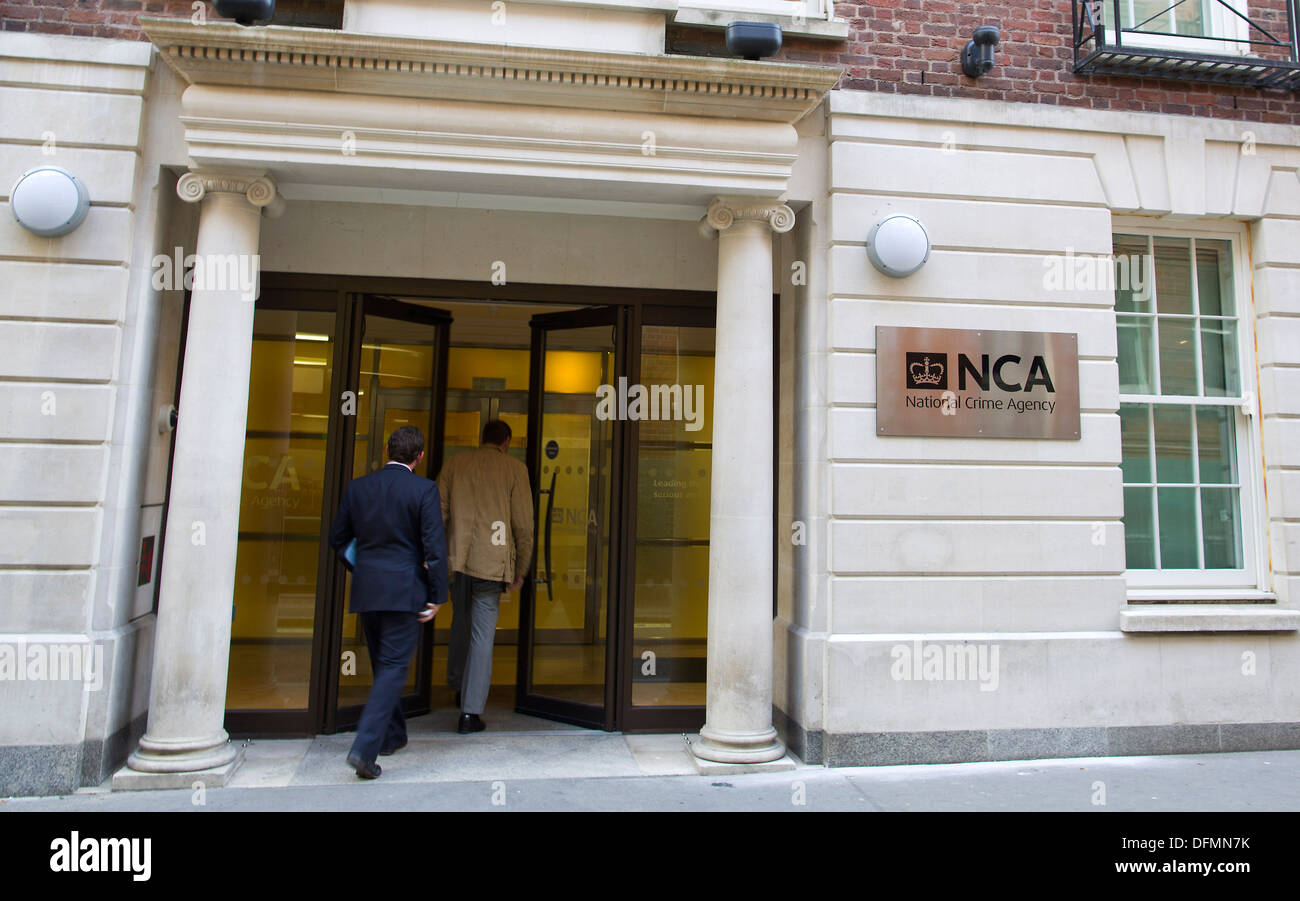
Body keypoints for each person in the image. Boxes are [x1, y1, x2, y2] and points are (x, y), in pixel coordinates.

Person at [329, 425, 449, 779]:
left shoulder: (358, 488)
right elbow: (435, 549)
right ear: (420, 456)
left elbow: (339, 539)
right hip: (405, 592)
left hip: (368, 591)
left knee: (385, 665)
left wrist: (362, 567)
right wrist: (438, 596)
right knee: (394, 667)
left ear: (386, 450)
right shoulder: (424, 490)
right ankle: (365, 749)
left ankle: (393, 735)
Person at [438, 419, 534, 733]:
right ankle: (470, 712)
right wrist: (521, 570)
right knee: (482, 635)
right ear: (506, 441)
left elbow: (436, 514)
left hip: (458, 558)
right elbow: (523, 525)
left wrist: (434, 559)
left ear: (483, 439)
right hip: (491, 564)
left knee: (459, 623)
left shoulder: (454, 464)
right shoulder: (515, 470)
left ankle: (456, 685)